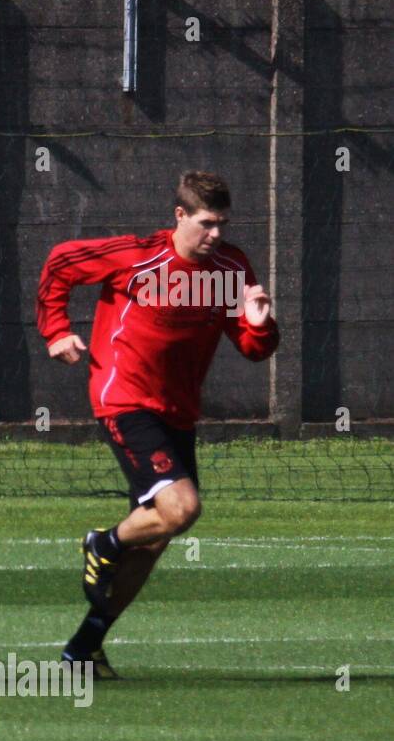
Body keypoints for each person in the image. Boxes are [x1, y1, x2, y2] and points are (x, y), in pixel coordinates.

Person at [36, 170, 279, 678]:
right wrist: (56, 330)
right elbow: (60, 263)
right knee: (182, 508)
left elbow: (253, 348)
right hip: (124, 398)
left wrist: (260, 326)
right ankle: (102, 543)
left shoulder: (231, 267)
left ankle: (84, 649)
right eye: (207, 223)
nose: (216, 234)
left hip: (177, 413)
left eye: (223, 223)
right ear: (180, 216)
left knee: (155, 537)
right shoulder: (138, 256)